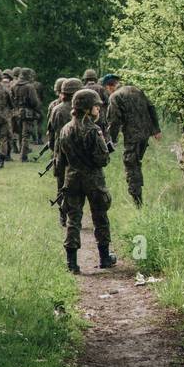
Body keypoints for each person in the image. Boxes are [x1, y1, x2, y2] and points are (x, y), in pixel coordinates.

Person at [57, 88, 117, 274]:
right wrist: (106, 151)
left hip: (72, 178)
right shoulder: (93, 130)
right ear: (87, 108)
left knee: (73, 219)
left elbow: (60, 160)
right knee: (100, 217)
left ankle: (72, 263)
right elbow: (102, 160)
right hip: (93, 179)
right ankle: (105, 258)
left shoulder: (65, 129)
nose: (98, 109)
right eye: (96, 106)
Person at [106, 79, 162, 207]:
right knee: (136, 163)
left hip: (132, 136)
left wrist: (112, 140)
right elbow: (151, 107)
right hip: (145, 134)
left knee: (131, 165)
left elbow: (114, 121)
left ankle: (137, 202)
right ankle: (137, 195)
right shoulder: (135, 89)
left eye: (107, 89)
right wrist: (156, 129)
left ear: (110, 87)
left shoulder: (115, 96)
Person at [47, 77, 80, 225]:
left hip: (60, 152)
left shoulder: (56, 109)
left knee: (61, 184)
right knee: (78, 183)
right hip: (79, 152)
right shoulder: (81, 110)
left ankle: (62, 214)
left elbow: (51, 131)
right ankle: (75, 214)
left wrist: (53, 149)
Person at [11, 66, 43, 160]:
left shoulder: (14, 86)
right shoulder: (30, 87)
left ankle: (21, 151)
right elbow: (34, 102)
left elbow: (12, 100)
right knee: (26, 135)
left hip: (17, 112)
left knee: (20, 133)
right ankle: (23, 156)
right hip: (28, 113)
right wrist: (37, 110)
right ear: (28, 76)